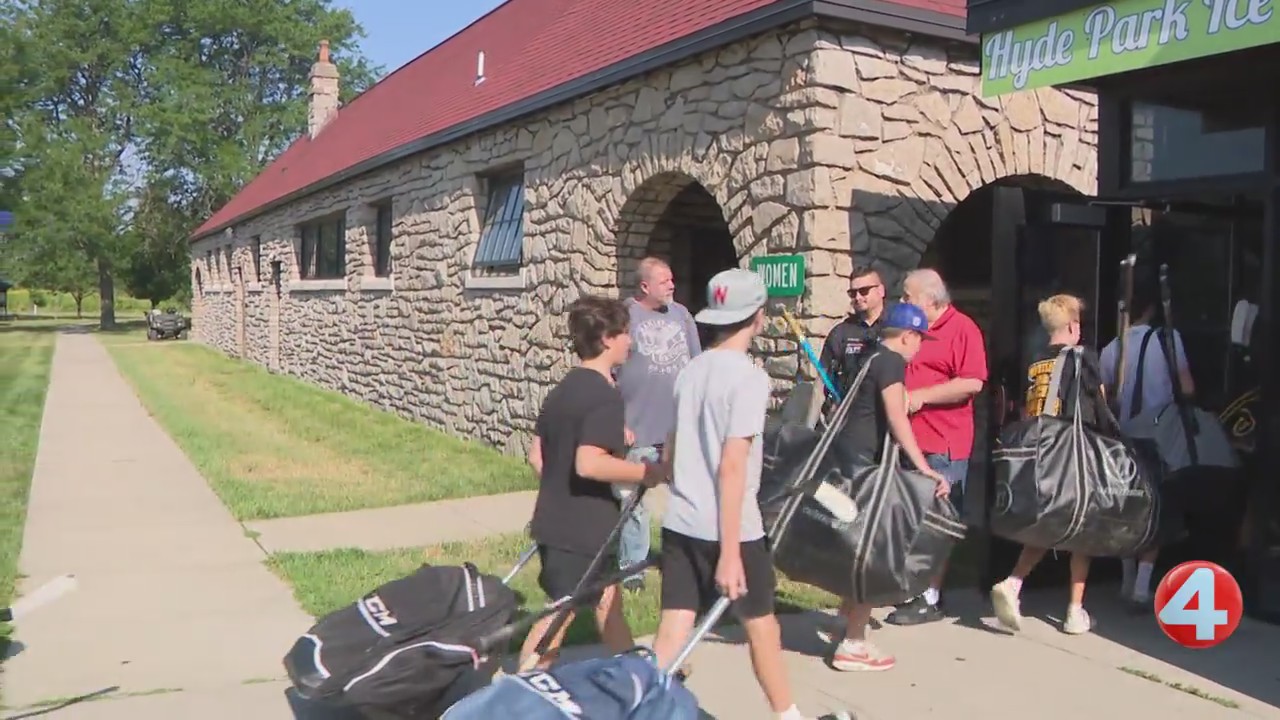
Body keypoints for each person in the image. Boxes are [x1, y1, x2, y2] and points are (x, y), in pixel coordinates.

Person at [651, 269, 845, 720]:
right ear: (758, 317)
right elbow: (733, 465)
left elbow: (671, 450)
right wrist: (730, 552)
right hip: (732, 529)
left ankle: (638, 707)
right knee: (762, 627)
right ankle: (788, 716)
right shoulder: (749, 379)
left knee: (673, 630)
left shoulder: (690, 370)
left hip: (681, 521)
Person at [521, 295, 667, 669]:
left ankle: (637, 677)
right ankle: (519, 689)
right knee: (557, 618)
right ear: (606, 339)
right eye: (625, 333)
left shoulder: (564, 389)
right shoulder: (605, 396)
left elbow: (538, 456)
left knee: (608, 605)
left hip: (556, 519)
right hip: (582, 529)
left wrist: (563, 486)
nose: (630, 341)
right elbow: (589, 463)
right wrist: (648, 473)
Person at [826, 303, 949, 672]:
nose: (920, 348)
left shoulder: (869, 357)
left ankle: (845, 620)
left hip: (847, 462)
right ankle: (853, 643)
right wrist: (924, 468)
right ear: (908, 336)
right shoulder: (892, 362)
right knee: (874, 554)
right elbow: (897, 418)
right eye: (920, 340)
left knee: (858, 550)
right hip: (866, 470)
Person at [989, 294, 1118, 635]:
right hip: (1072, 452)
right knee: (1083, 529)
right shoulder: (1082, 357)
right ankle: (1075, 610)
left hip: (1039, 452)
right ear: (1073, 326)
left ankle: (1014, 582)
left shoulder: (1035, 362)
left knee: (1050, 522)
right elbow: (1098, 403)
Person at [885, 268, 988, 626]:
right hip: (908, 441)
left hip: (944, 442)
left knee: (938, 522)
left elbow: (973, 382)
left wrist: (921, 397)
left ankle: (929, 596)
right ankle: (908, 587)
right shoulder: (911, 329)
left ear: (930, 300)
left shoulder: (962, 329)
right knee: (908, 519)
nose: (902, 301)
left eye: (907, 295)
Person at [1098, 282, 1196, 606]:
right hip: (1159, 435)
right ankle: (1142, 587)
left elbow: (1104, 397)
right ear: (1152, 309)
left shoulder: (1112, 347)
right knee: (1159, 508)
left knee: (1129, 506)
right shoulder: (1169, 338)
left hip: (1125, 436)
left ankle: (1127, 580)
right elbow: (1187, 387)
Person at [614, 257, 700, 592]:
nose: (672, 286)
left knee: (687, 497)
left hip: (678, 430)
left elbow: (696, 367)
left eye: (672, 279)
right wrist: (618, 419)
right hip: (638, 428)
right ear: (644, 286)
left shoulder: (682, 315)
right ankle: (632, 571)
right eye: (664, 281)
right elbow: (607, 372)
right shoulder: (624, 316)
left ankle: (683, 562)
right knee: (634, 503)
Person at [819, 265, 889, 405]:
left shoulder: (895, 327)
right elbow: (821, 381)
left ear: (880, 291)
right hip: (849, 410)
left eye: (864, 291)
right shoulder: (841, 332)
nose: (858, 297)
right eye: (852, 293)